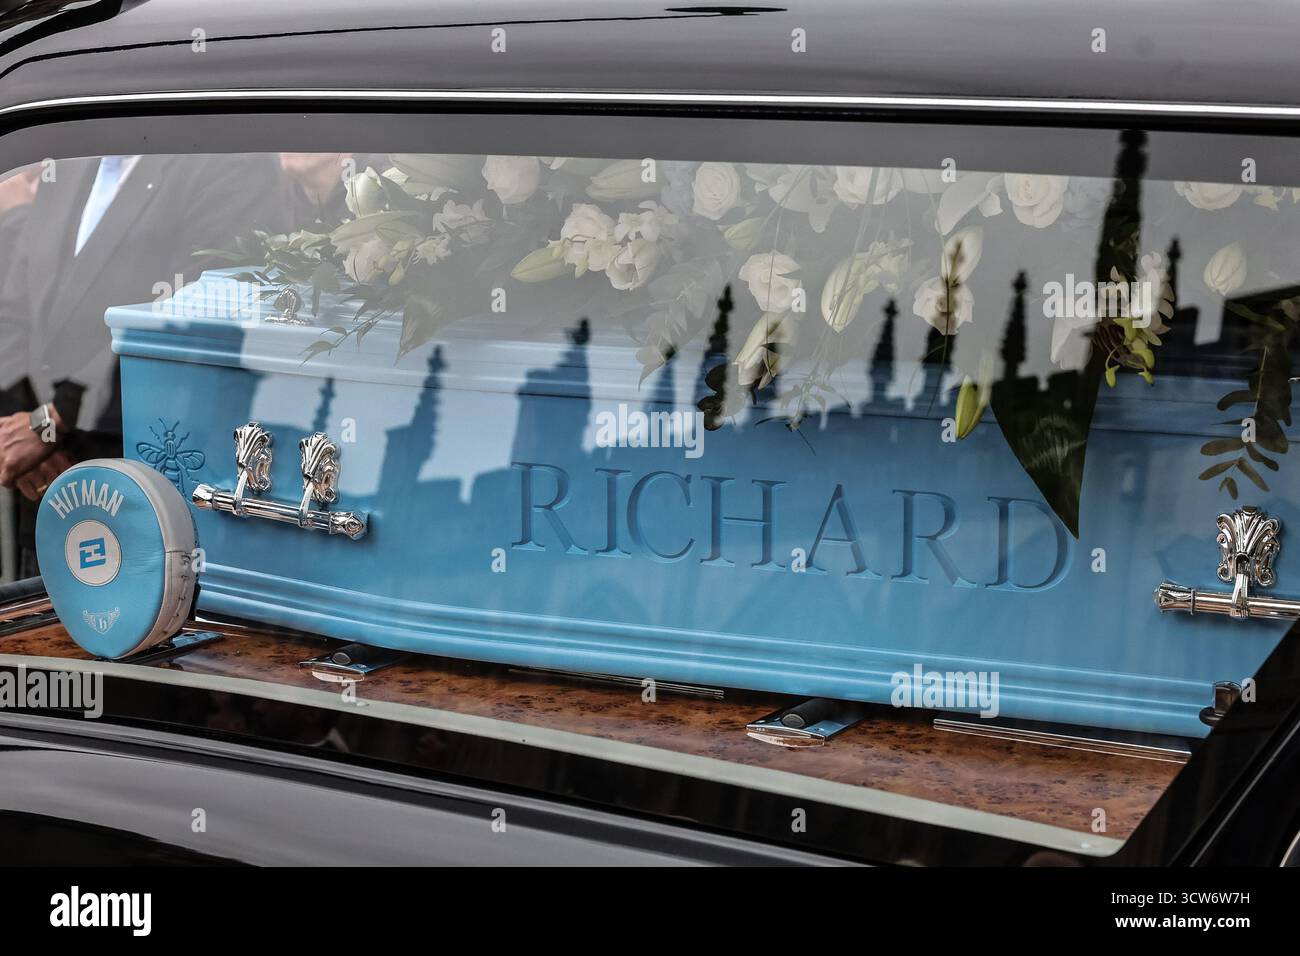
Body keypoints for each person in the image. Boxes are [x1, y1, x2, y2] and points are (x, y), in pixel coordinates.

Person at [0, 152, 284, 576]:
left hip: (148, 493)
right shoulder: (72, 159)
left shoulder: (229, 160)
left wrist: (51, 420)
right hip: (44, 491)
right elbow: (15, 307)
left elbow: (191, 314)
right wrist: (18, 433)